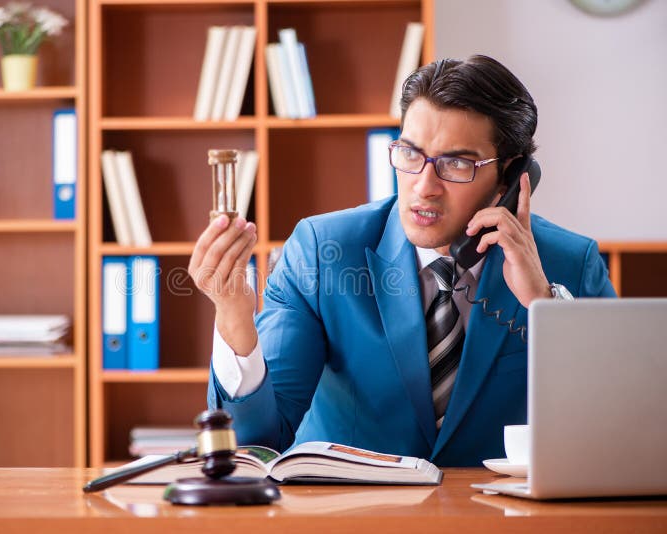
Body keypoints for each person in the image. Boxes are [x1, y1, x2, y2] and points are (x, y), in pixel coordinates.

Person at [188, 55, 616, 466]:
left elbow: (617, 425)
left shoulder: (570, 264)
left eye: (456, 163)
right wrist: (234, 318)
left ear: (510, 177)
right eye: (410, 154)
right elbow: (257, 445)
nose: (424, 186)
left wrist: (542, 304)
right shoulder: (322, 252)